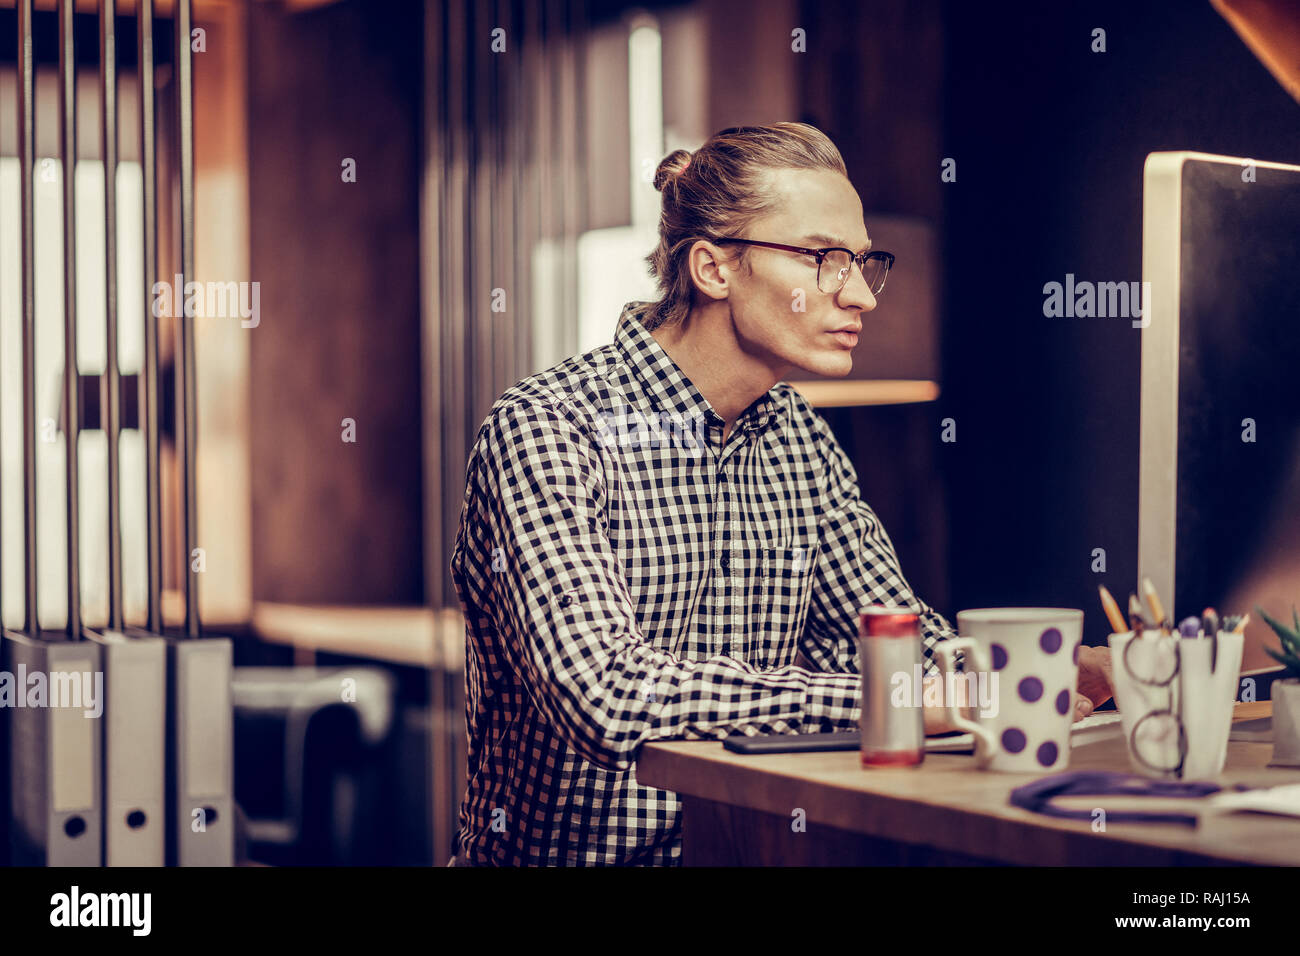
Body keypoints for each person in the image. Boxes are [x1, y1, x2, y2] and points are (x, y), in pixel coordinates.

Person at [449, 123, 1114, 866]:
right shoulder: (548, 428)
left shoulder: (798, 434)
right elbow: (608, 695)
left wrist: (1031, 675)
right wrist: (899, 701)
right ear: (713, 268)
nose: (860, 293)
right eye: (824, 258)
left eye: (863, 262)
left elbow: (894, 640)